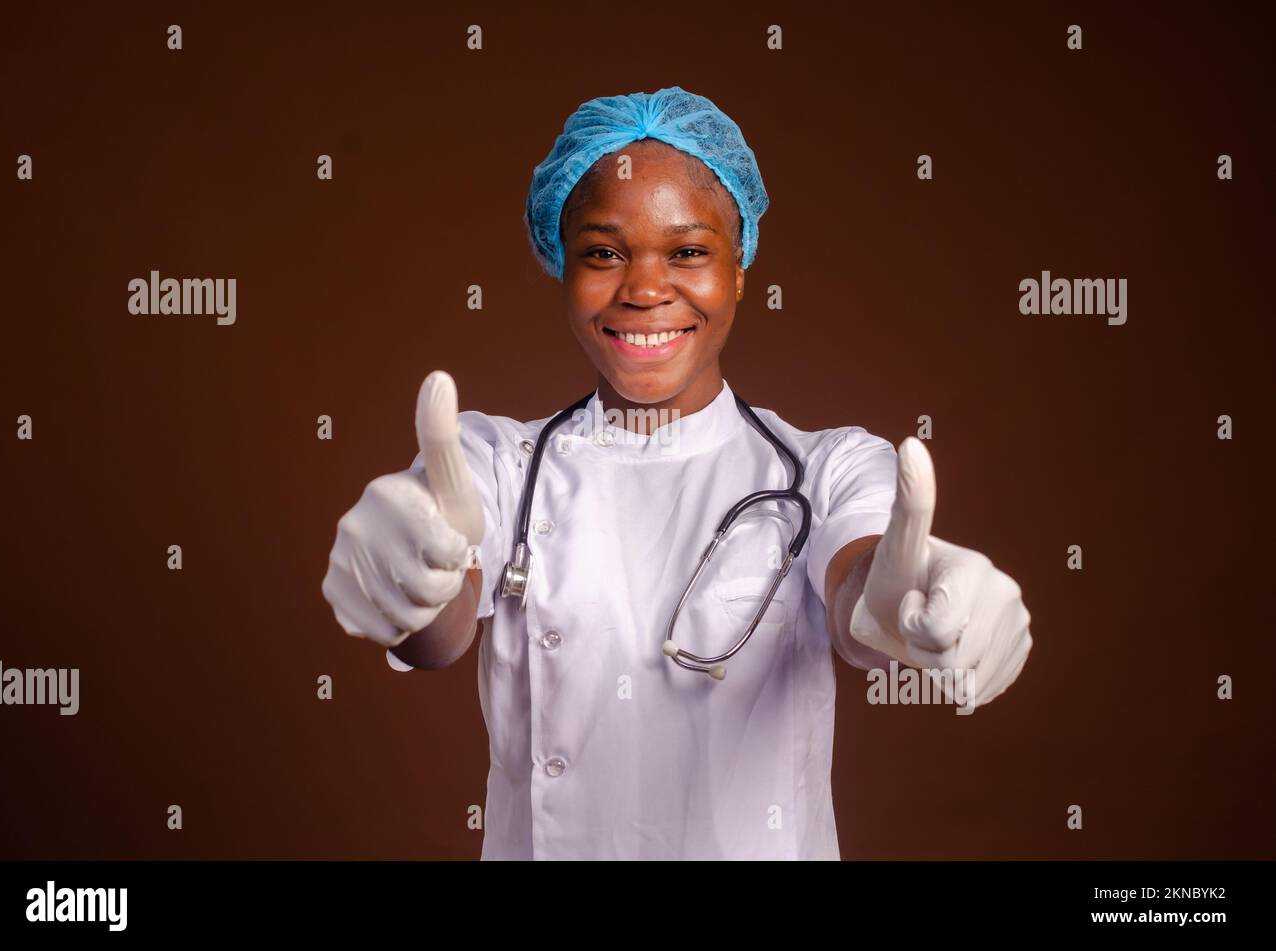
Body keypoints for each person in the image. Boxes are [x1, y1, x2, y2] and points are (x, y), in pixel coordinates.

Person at [321, 87, 1032, 860]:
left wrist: (900, 599)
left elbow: (862, 590)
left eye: (689, 251)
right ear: (563, 269)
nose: (646, 289)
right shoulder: (496, 463)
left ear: (740, 270)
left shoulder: (824, 469)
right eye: (603, 252)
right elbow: (438, 632)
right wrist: (408, 584)